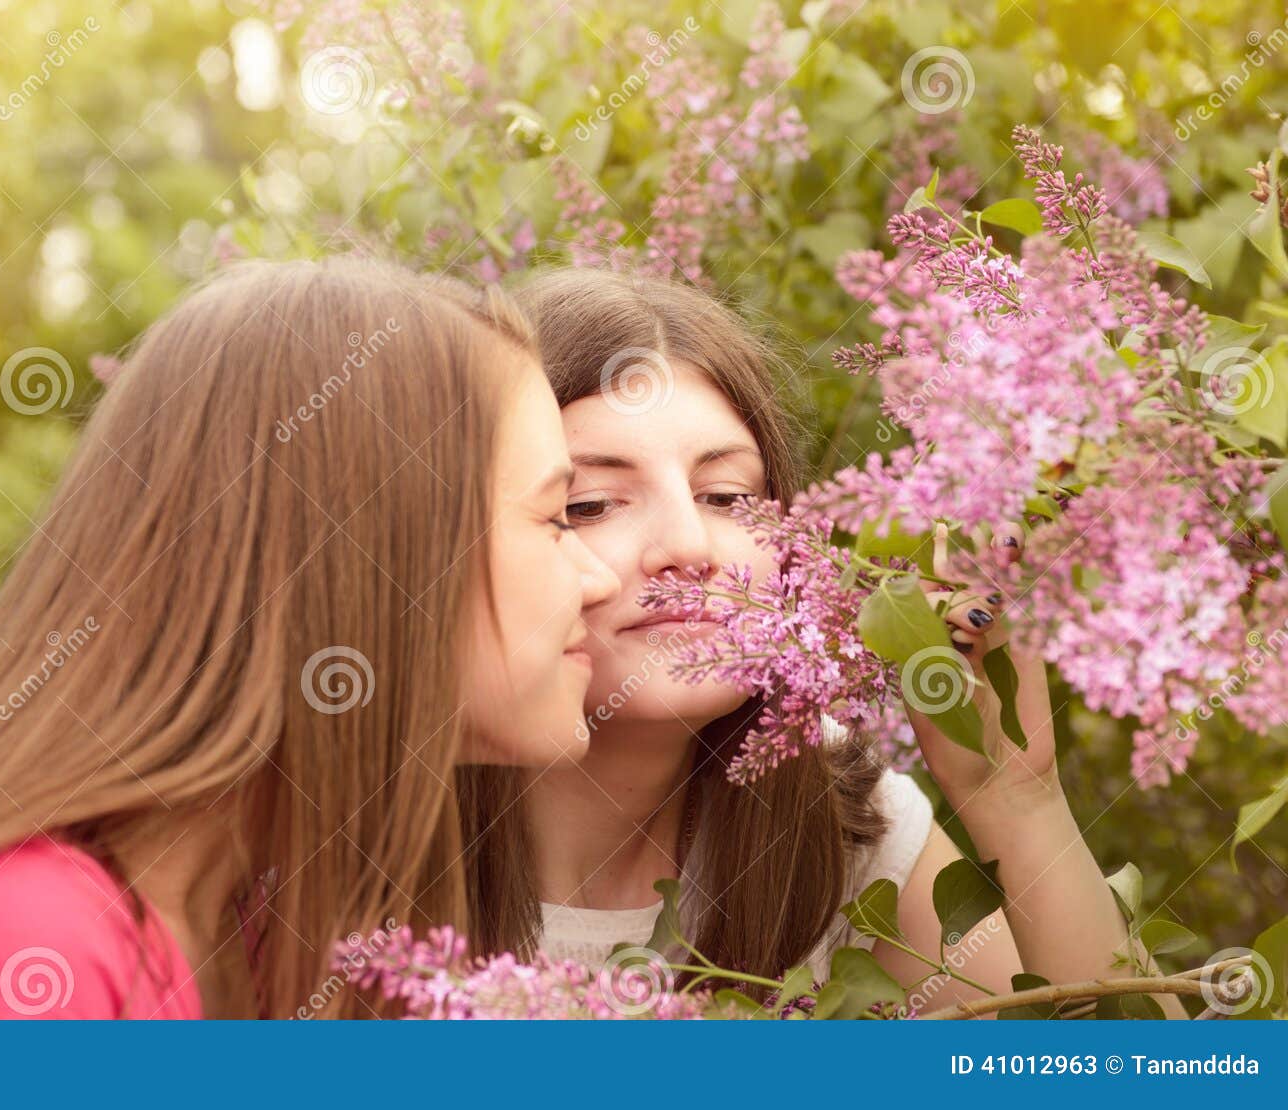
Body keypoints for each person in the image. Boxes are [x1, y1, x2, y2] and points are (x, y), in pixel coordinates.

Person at [0, 257, 617, 1019]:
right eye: (557, 516)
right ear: (385, 549)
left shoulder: (257, 929)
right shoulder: (34, 955)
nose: (600, 576)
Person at [460, 266, 1173, 1015]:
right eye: (592, 503)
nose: (687, 543)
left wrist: (1014, 797)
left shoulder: (839, 824)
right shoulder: (364, 846)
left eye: (728, 497)